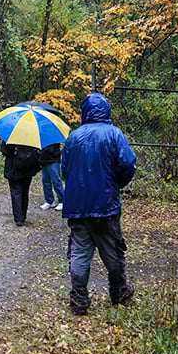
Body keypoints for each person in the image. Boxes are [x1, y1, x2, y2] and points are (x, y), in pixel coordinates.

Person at [61, 92, 136, 315]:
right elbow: (128, 164)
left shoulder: (73, 137)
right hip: (105, 205)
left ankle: (79, 301)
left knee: (80, 253)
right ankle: (118, 291)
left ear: (84, 112)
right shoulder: (114, 134)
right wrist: (116, 183)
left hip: (77, 206)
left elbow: (65, 169)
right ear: (107, 111)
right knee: (112, 251)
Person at [0, 141, 41, 226]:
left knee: (16, 192)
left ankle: (19, 218)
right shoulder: (31, 136)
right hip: (27, 169)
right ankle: (23, 215)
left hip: (13, 169)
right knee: (24, 192)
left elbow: (4, 151)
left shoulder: (9, 136)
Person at [38, 143, 65, 211]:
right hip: (44, 161)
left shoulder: (53, 136)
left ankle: (62, 201)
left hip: (53, 161)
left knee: (56, 181)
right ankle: (49, 201)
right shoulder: (42, 136)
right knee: (45, 181)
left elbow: (54, 151)